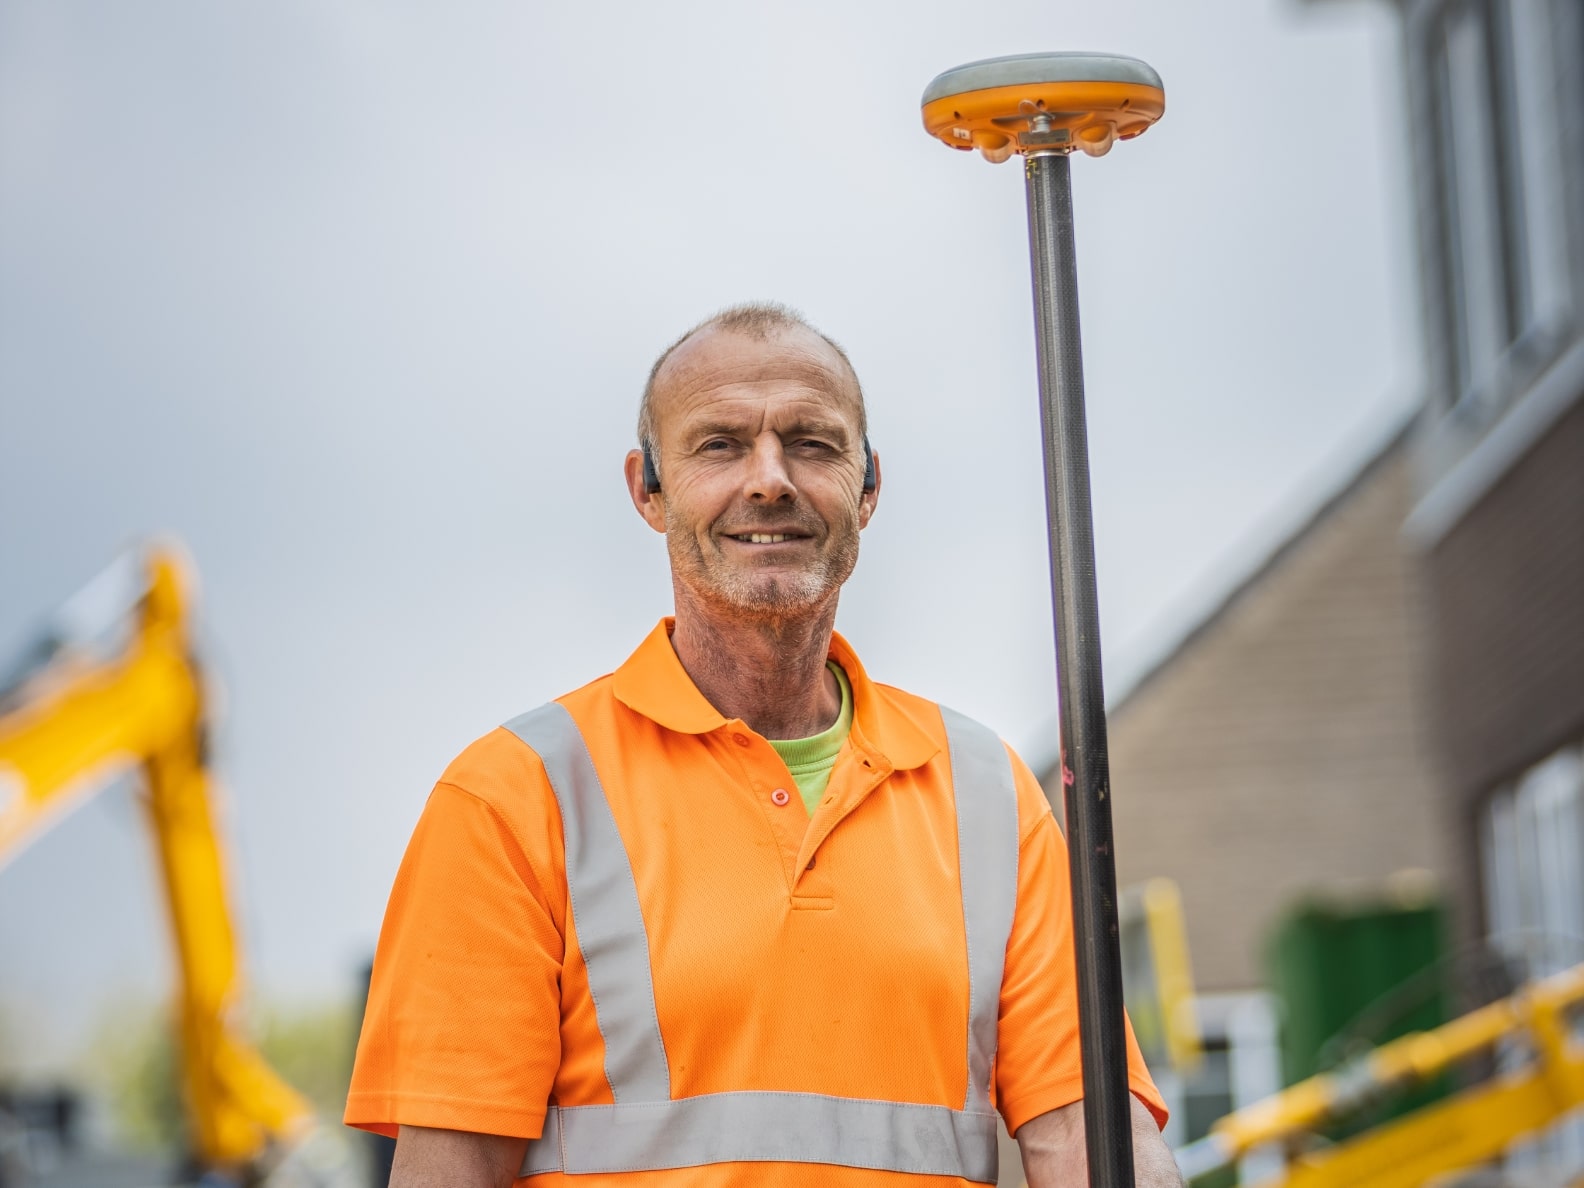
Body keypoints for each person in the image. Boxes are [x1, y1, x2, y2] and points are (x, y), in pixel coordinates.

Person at [345, 303, 1183, 1187]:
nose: (770, 479)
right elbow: (451, 1168)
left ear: (869, 488)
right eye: (719, 445)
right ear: (648, 490)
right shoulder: (515, 798)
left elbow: (1090, 1139)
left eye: (814, 444)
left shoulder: (987, 794)